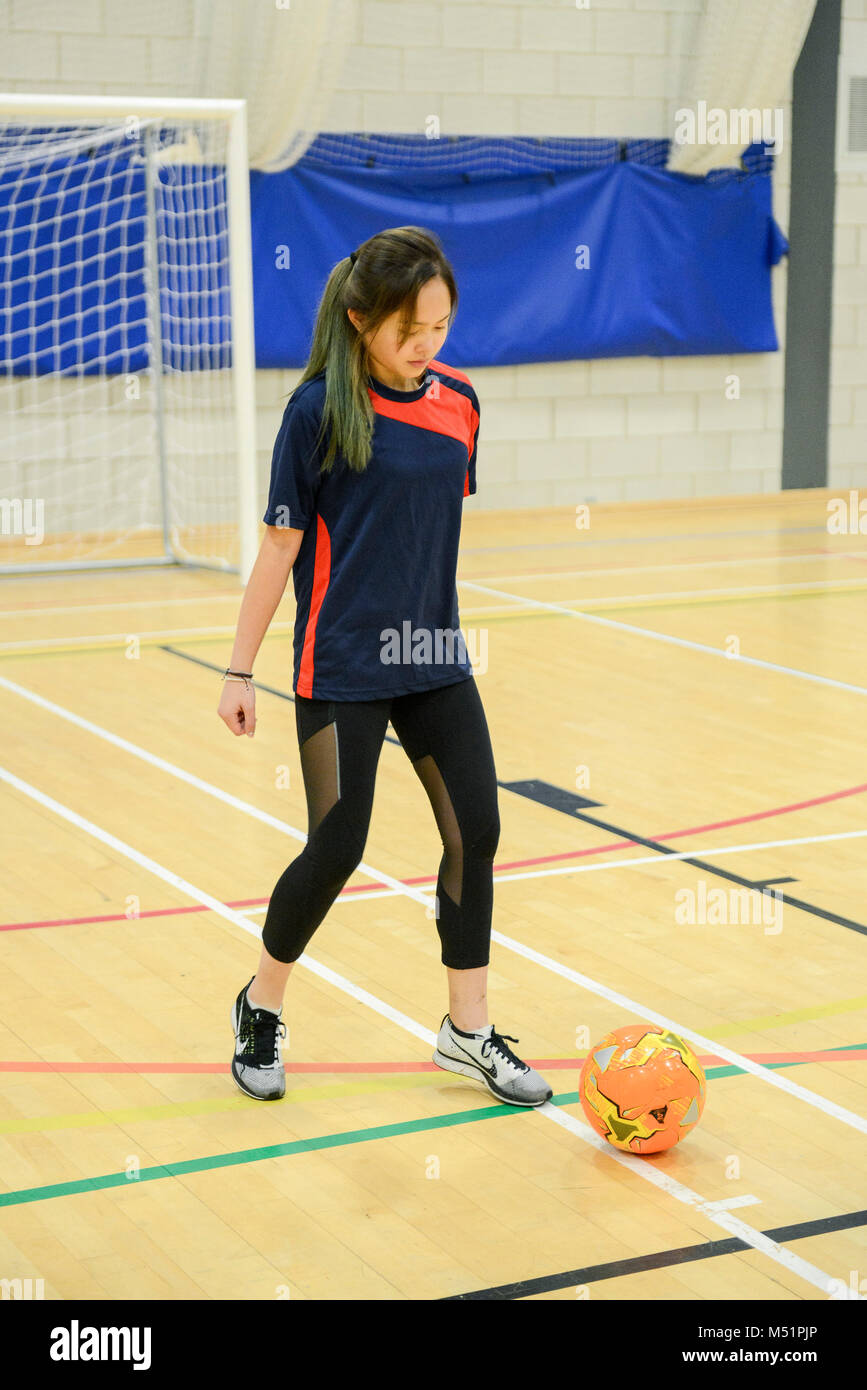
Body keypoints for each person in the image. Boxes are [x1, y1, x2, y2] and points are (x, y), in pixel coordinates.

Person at [217, 225, 552, 1110]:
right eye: (410, 330)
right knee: (339, 844)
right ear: (362, 321)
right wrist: (238, 670)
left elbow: (424, 528)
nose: (427, 345)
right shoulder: (318, 412)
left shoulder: (461, 404)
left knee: (474, 832)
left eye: (441, 326)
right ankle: (261, 1003)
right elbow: (280, 547)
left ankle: (466, 1031)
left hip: (433, 655)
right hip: (339, 664)